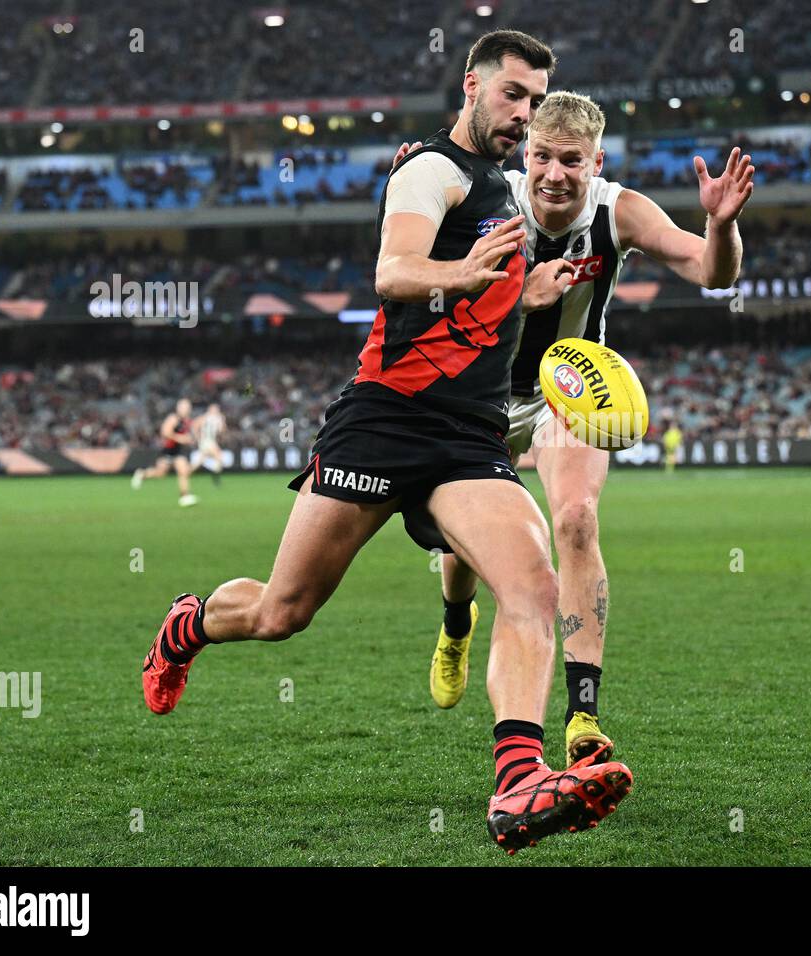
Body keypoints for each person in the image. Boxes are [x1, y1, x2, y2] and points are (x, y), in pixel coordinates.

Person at [138, 31, 631, 855]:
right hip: (386, 422)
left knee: (534, 584)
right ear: (471, 85)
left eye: (537, 99)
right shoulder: (430, 170)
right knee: (281, 612)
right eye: (513, 94)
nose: (525, 112)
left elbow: (478, 312)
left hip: (466, 437)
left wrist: (524, 294)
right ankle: (188, 624)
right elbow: (396, 271)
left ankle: (518, 782)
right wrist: (466, 273)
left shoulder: (504, 196)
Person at [416, 90, 754, 767]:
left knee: (574, 520)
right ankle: (457, 623)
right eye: (543, 156)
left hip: (568, 391)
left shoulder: (618, 210)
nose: (554, 174)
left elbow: (711, 271)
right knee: (465, 560)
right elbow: (424, 289)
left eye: (572, 161)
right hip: (478, 393)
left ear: (595, 162)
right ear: (526, 154)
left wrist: (720, 226)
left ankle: (582, 717)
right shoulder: (486, 201)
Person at [131, 397, 198, 507]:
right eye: (184, 407)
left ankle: (184, 496)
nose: (186, 409)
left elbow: (188, 435)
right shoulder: (173, 418)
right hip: (169, 450)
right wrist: (180, 438)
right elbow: (165, 432)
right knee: (160, 473)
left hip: (179, 451)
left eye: (188, 407)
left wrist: (190, 439)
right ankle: (142, 474)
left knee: (183, 471)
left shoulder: (186, 421)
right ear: (178, 408)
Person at [190, 402, 227, 486]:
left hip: (211, 441)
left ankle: (187, 472)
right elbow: (194, 425)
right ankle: (216, 477)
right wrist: (198, 437)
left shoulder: (218, 419)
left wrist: (222, 421)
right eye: (215, 409)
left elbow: (222, 431)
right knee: (219, 456)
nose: (216, 411)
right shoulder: (205, 417)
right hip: (206, 441)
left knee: (200, 460)